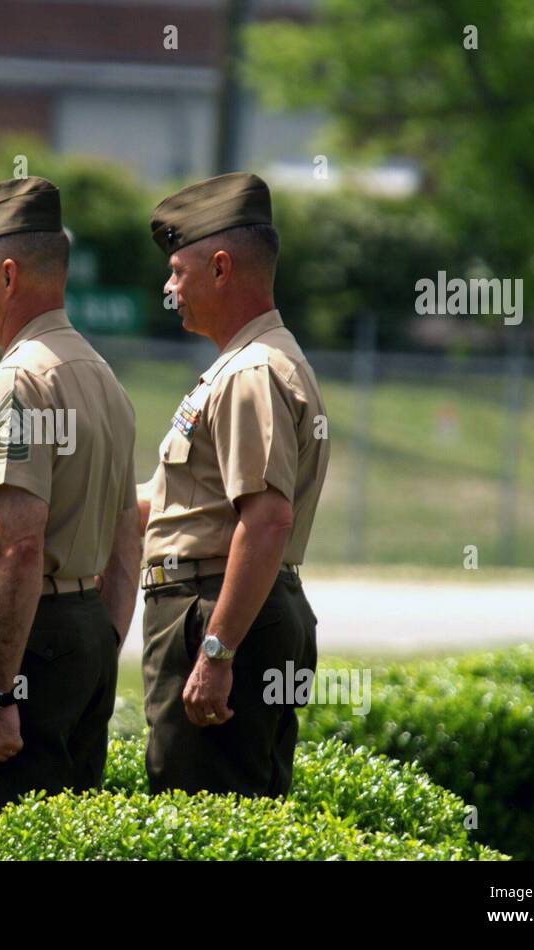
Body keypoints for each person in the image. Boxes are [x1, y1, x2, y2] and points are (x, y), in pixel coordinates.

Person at [0, 177, 141, 812]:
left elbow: (18, 546)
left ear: (8, 277)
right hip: (81, 633)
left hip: (22, 645)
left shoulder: (19, 381)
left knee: (1, 834)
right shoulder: (101, 375)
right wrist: (100, 643)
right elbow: (127, 532)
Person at [137, 172, 330, 797]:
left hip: (217, 611)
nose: (170, 288)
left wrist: (217, 653)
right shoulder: (251, 361)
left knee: (205, 813)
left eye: (177, 271)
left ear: (221, 267)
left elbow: (266, 519)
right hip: (226, 608)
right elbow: (171, 505)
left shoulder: (251, 371)